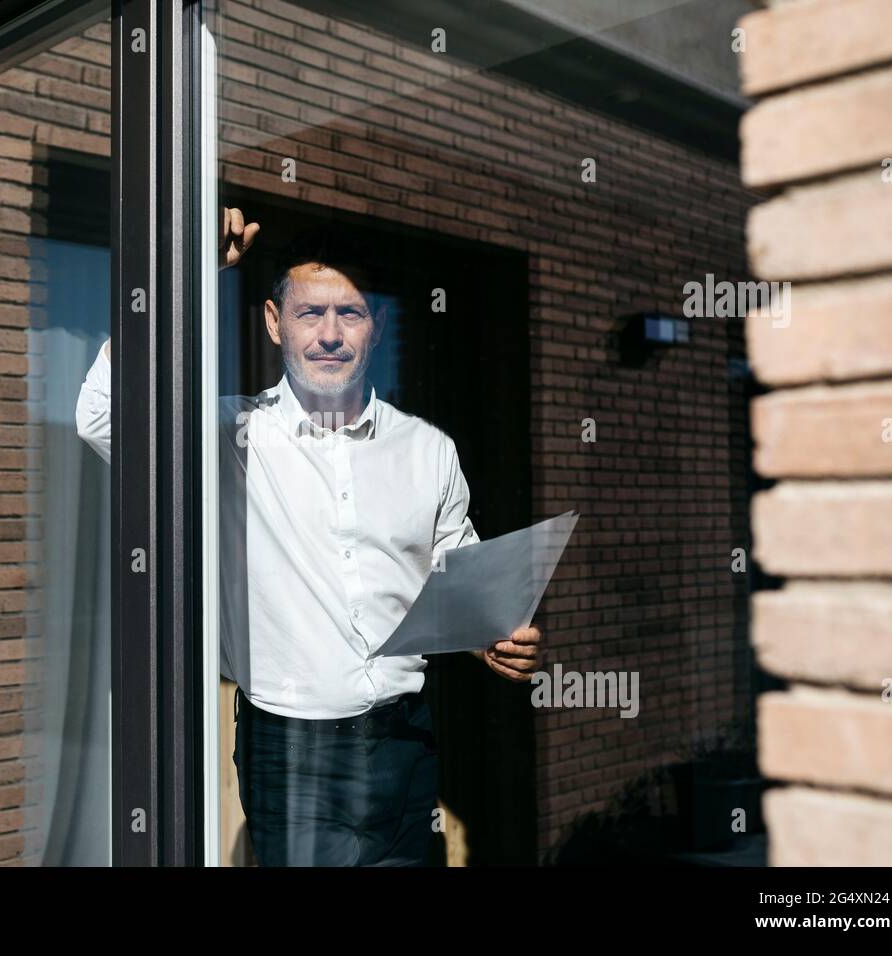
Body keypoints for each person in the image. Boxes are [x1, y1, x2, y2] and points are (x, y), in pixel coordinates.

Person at [75, 208, 543, 866]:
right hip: (291, 753)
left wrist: (491, 637)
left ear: (374, 327)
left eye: (349, 314)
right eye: (308, 313)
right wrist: (178, 273)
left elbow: (454, 581)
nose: (329, 335)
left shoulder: (427, 449)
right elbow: (101, 417)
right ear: (274, 323)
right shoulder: (231, 437)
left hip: (406, 742)